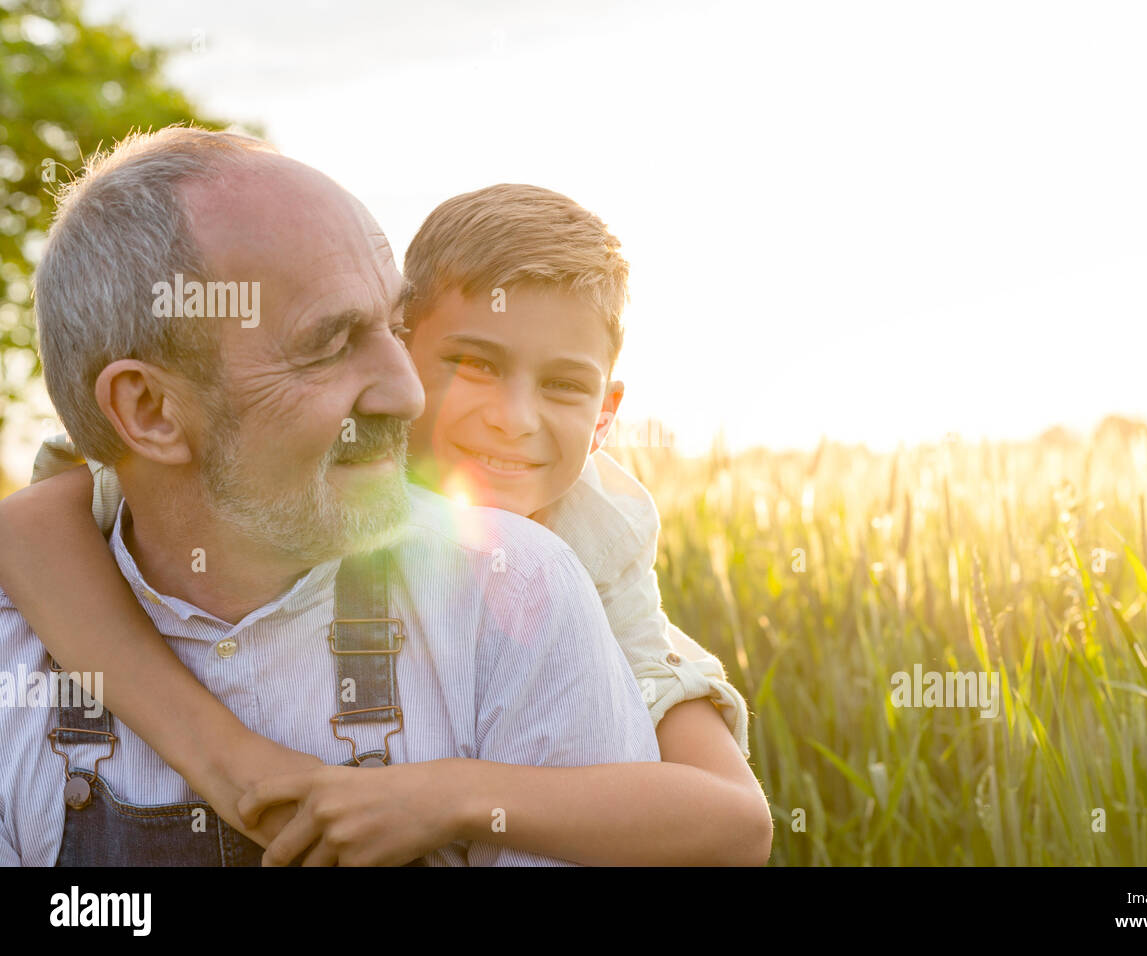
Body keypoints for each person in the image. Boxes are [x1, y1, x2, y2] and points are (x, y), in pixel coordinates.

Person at [0, 136, 774, 865]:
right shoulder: (65, 567)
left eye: (563, 385)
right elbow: (32, 529)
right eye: (334, 342)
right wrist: (232, 764)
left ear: (606, 410)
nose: (404, 396)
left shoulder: (569, 554)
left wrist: (452, 794)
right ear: (149, 414)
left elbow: (735, 821)